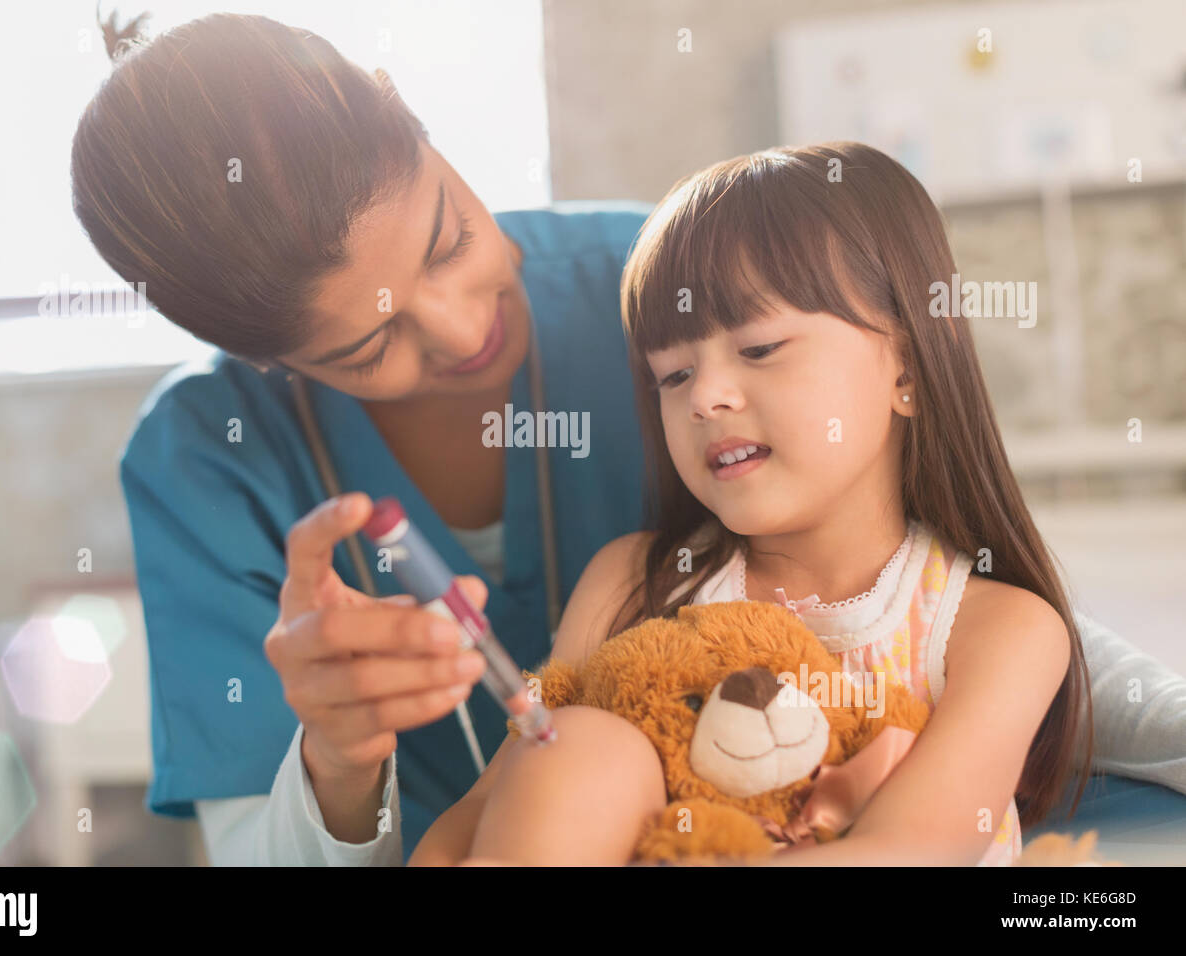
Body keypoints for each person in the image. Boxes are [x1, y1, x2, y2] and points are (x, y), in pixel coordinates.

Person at [73, 15, 1186, 865]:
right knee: (588, 747)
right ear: (275, 362)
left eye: (448, 239)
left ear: (411, 113)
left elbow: (1010, 632)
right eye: (370, 347)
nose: (464, 329)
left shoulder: (672, 287)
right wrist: (337, 760)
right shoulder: (206, 458)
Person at [412, 143, 1105, 865]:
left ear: (906, 368)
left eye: (761, 348)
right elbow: (489, 810)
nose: (706, 397)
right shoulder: (631, 582)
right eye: (673, 374)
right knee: (575, 742)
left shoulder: (997, 628)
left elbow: (911, 850)